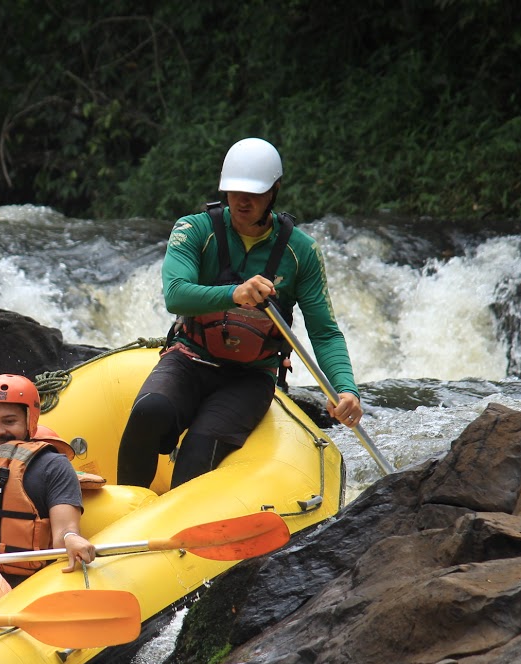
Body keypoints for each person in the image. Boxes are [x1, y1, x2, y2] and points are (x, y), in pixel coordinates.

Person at [118, 137, 363, 490]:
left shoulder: (301, 251)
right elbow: (176, 295)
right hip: (190, 359)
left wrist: (345, 388)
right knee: (149, 412)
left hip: (250, 378)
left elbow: (324, 332)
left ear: (275, 191)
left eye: (254, 192)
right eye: (234, 191)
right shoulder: (194, 230)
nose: (242, 201)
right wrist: (235, 293)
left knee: (198, 451)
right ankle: (128, 504)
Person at [0, 373, 96, 583]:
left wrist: (71, 539)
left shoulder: (53, 465)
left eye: (9, 421)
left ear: (30, 420)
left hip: (23, 583)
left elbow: (65, 530)